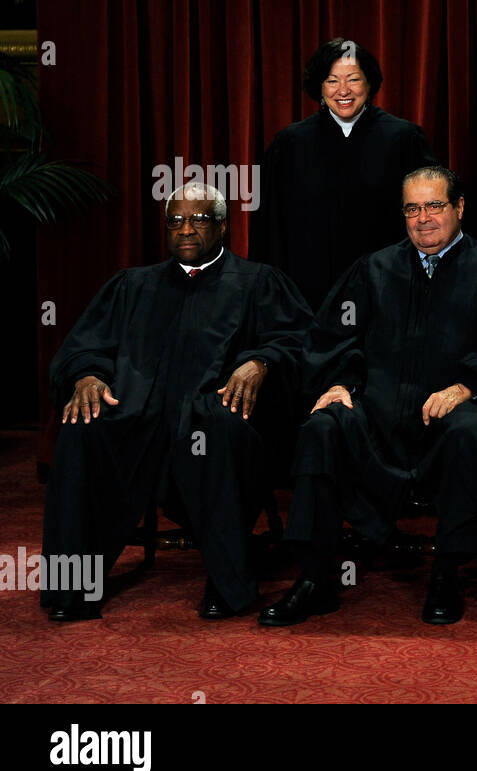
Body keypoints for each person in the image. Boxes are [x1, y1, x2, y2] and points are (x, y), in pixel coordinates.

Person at [258, 166, 477, 627]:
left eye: (434, 205)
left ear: (459, 208)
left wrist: (467, 387)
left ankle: (445, 573)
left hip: (450, 420)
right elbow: (333, 336)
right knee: (323, 426)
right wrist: (341, 383)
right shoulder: (373, 270)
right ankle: (314, 578)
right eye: (412, 208)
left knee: (471, 431)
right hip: (376, 417)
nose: (423, 218)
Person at [42, 182, 313, 621]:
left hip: (210, 416)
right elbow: (83, 347)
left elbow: (302, 343)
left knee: (219, 429)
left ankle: (227, 580)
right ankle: (73, 586)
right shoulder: (132, 285)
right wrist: (87, 375)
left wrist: (261, 361)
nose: (186, 229)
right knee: (82, 427)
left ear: (222, 226)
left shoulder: (258, 283)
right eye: (176, 220)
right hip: (134, 417)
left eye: (199, 219)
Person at [254, 37, 439, 310]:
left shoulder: (403, 139)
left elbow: (429, 215)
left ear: (369, 83)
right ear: (319, 86)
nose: (343, 90)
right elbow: (270, 228)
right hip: (307, 295)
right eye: (331, 81)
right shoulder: (290, 144)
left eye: (353, 79)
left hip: (388, 291)